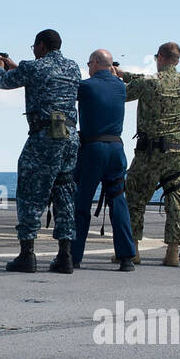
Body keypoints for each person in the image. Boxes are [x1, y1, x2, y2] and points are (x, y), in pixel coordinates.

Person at [0, 29, 81, 273]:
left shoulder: (34, 67)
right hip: (70, 136)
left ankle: (27, 254)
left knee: (30, 192)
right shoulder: (73, 67)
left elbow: (2, 82)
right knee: (64, 193)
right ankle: (65, 256)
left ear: (41, 46)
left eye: (34, 47)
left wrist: (1, 66)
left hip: (45, 136)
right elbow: (43, 78)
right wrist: (17, 65)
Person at [117, 42, 180, 267]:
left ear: (159, 57)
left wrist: (116, 77)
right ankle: (173, 252)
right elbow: (150, 79)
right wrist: (124, 73)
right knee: (175, 198)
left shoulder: (148, 83)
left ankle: (133, 250)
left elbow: (124, 93)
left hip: (150, 151)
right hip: (176, 151)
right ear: (177, 60)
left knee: (136, 198)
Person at [72, 49, 136, 271]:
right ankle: (126, 257)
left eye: (89, 63)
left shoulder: (86, 86)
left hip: (93, 149)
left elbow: (63, 89)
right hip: (117, 150)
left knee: (81, 203)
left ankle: (73, 255)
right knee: (118, 202)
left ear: (96, 63)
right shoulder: (121, 87)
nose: (88, 67)